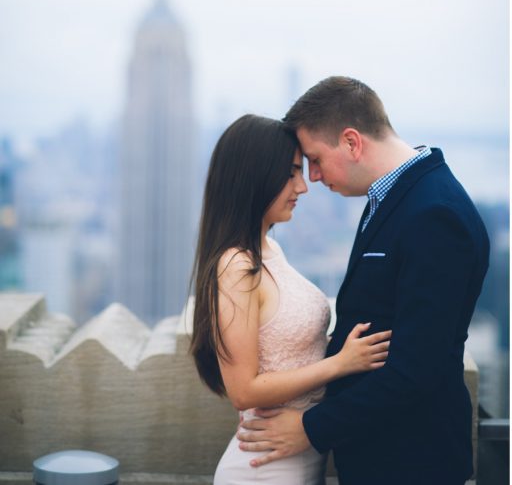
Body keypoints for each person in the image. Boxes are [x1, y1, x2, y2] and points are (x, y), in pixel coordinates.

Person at [236, 76, 490, 485]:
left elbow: (417, 369)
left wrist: (311, 427)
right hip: (377, 454)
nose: (312, 177)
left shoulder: (435, 215)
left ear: (352, 142)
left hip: (411, 462)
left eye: (315, 159)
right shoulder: (392, 197)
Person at [189, 114, 392, 484]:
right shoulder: (237, 265)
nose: (302, 186)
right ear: (255, 177)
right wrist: (341, 363)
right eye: (291, 174)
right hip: (262, 471)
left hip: (299, 459)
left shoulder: (269, 250)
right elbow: (243, 390)